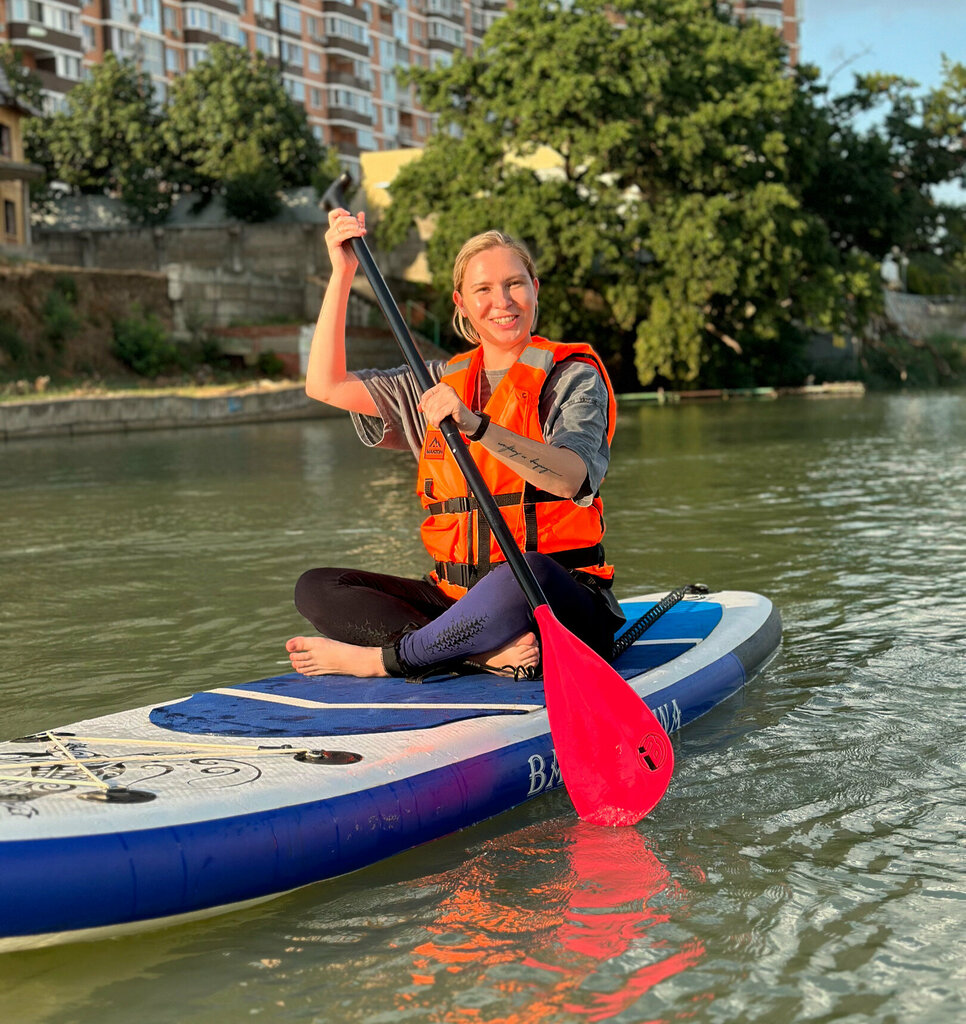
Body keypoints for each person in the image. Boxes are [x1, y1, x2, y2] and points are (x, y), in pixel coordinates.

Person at [286, 207, 625, 680]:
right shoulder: (436, 381)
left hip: (556, 605)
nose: (503, 301)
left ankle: (387, 661)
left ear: (534, 289)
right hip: (456, 602)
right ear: (461, 304)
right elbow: (325, 384)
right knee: (317, 587)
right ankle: (475, 655)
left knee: (528, 570)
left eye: (515, 284)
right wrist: (342, 274)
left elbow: (572, 478)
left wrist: (476, 425)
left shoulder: (571, 376)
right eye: (483, 290)